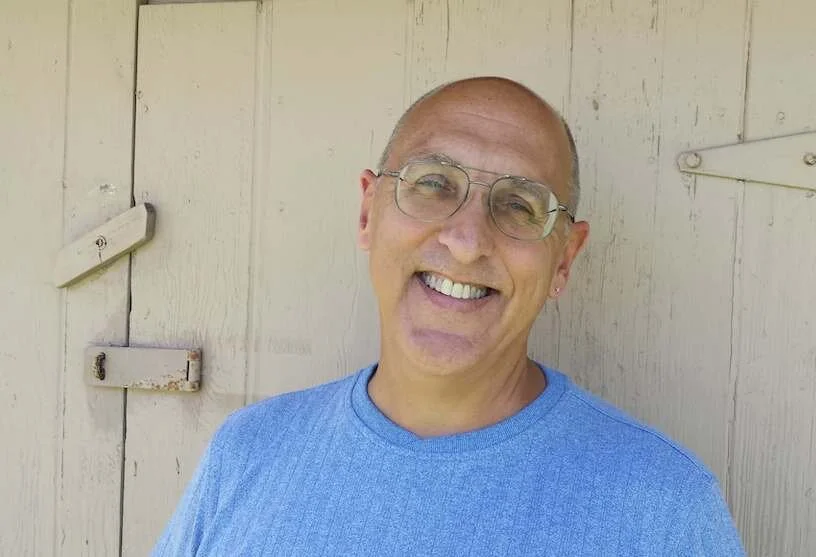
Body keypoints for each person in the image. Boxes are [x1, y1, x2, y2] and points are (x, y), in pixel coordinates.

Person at [154, 76, 744, 556]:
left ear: (564, 258)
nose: (466, 241)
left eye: (518, 204)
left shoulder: (662, 510)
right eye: (433, 183)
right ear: (368, 212)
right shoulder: (250, 453)